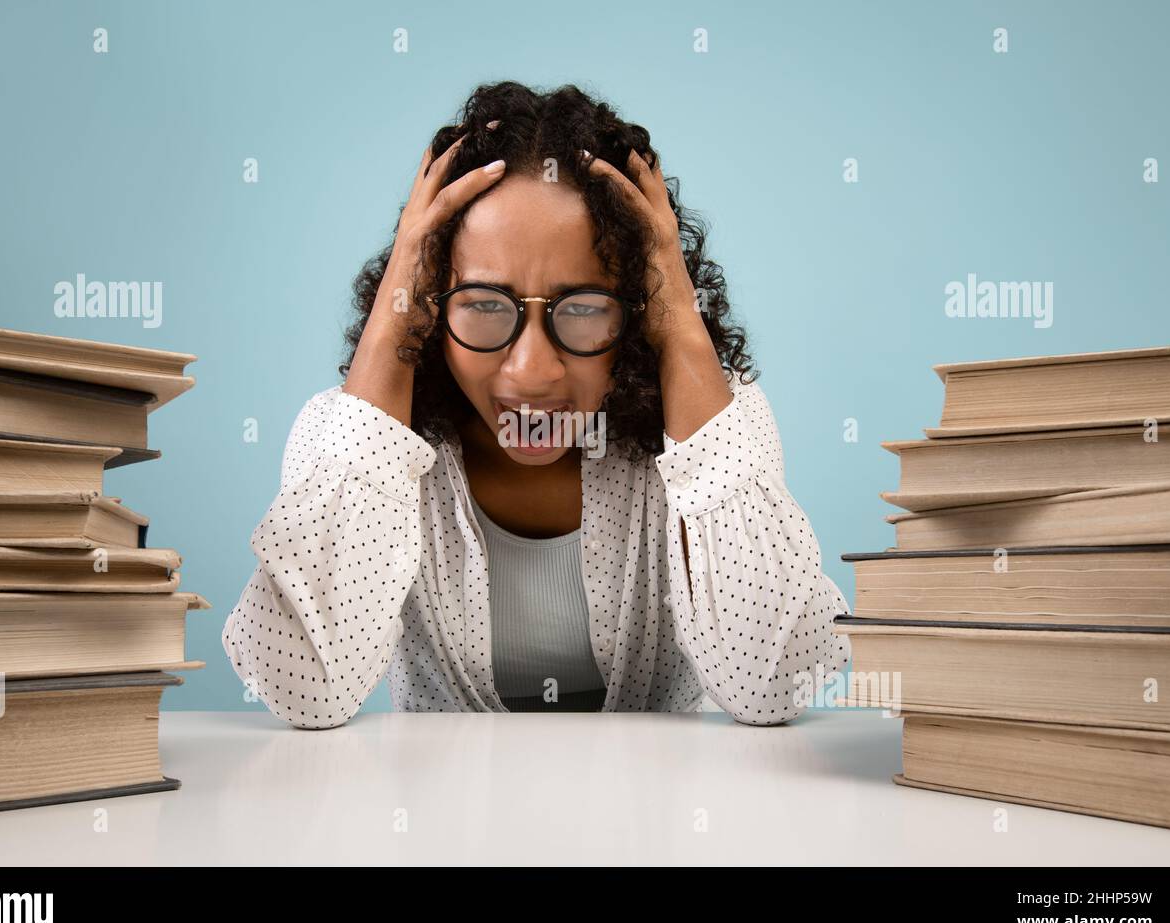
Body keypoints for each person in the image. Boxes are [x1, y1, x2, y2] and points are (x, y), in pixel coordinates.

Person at [222, 81, 851, 728]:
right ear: (434, 305)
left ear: (637, 311)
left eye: (582, 309)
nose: (531, 369)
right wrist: (397, 307)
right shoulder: (349, 435)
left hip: (660, 828)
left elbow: (776, 685)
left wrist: (681, 327)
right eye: (484, 306)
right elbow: (305, 691)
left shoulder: (719, 427)